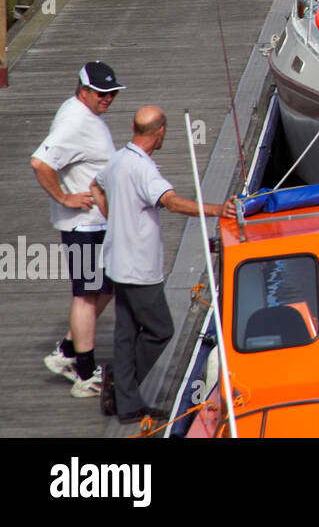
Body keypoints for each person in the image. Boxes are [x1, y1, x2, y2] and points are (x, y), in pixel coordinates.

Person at [92, 106, 237, 424]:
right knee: (160, 330)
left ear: (134, 127)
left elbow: (95, 186)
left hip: (117, 261)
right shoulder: (145, 171)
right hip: (140, 267)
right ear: (159, 133)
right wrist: (217, 210)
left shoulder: (118, 159)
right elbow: (170, 201)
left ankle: (126, 403)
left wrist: (112, 218)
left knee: (125, 333)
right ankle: (121, 386)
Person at [30, 61, 125, 399]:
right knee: (85, 295)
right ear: (83, 90)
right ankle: (84, 373)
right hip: (82, 225)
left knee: (109, 286)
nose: (108, 98)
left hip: (97, 222)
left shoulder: (82, 114)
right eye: (101, 93)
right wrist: (64, 197)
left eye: (112, 92)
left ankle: (68, 350)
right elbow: (40, 162)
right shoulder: (74, 122)